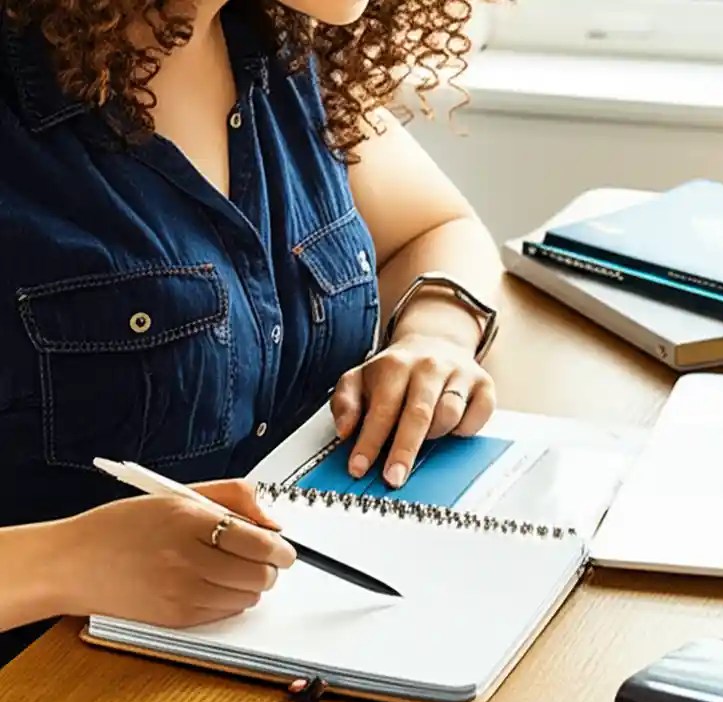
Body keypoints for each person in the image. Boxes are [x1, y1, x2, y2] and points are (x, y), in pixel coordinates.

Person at [0, 0, 502, 665]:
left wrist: (434, 337)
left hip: (290, 651)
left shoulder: (278, 46)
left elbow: (437, 227)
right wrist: (63, 561)